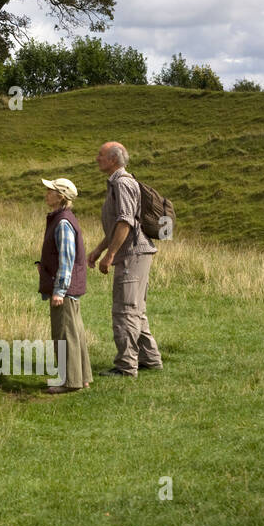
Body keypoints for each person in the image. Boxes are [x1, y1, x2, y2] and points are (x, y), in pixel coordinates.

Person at [87, 141, 164, 377]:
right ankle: (150, 359)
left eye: (100, 155)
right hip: (135, 254)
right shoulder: (117, 183)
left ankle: (126, 366)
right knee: (135, 309)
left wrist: (109, 255)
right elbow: (116, 226)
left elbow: (125, 222)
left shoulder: (122, 183)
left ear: (112, 159)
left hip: (132, 255)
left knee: (125, 310)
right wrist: (99, 249)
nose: (97, 158)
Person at [37, 178, 92, 393]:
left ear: (61, 196)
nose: (46, 193)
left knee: (64, 334)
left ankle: (69, 382)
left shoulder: (62, 222)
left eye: (50, 191)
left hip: (64, 290)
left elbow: (67, 259)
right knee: (75, 332)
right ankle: (82, 377)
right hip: (69, 289)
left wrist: (59, 290)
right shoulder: (62, 219)